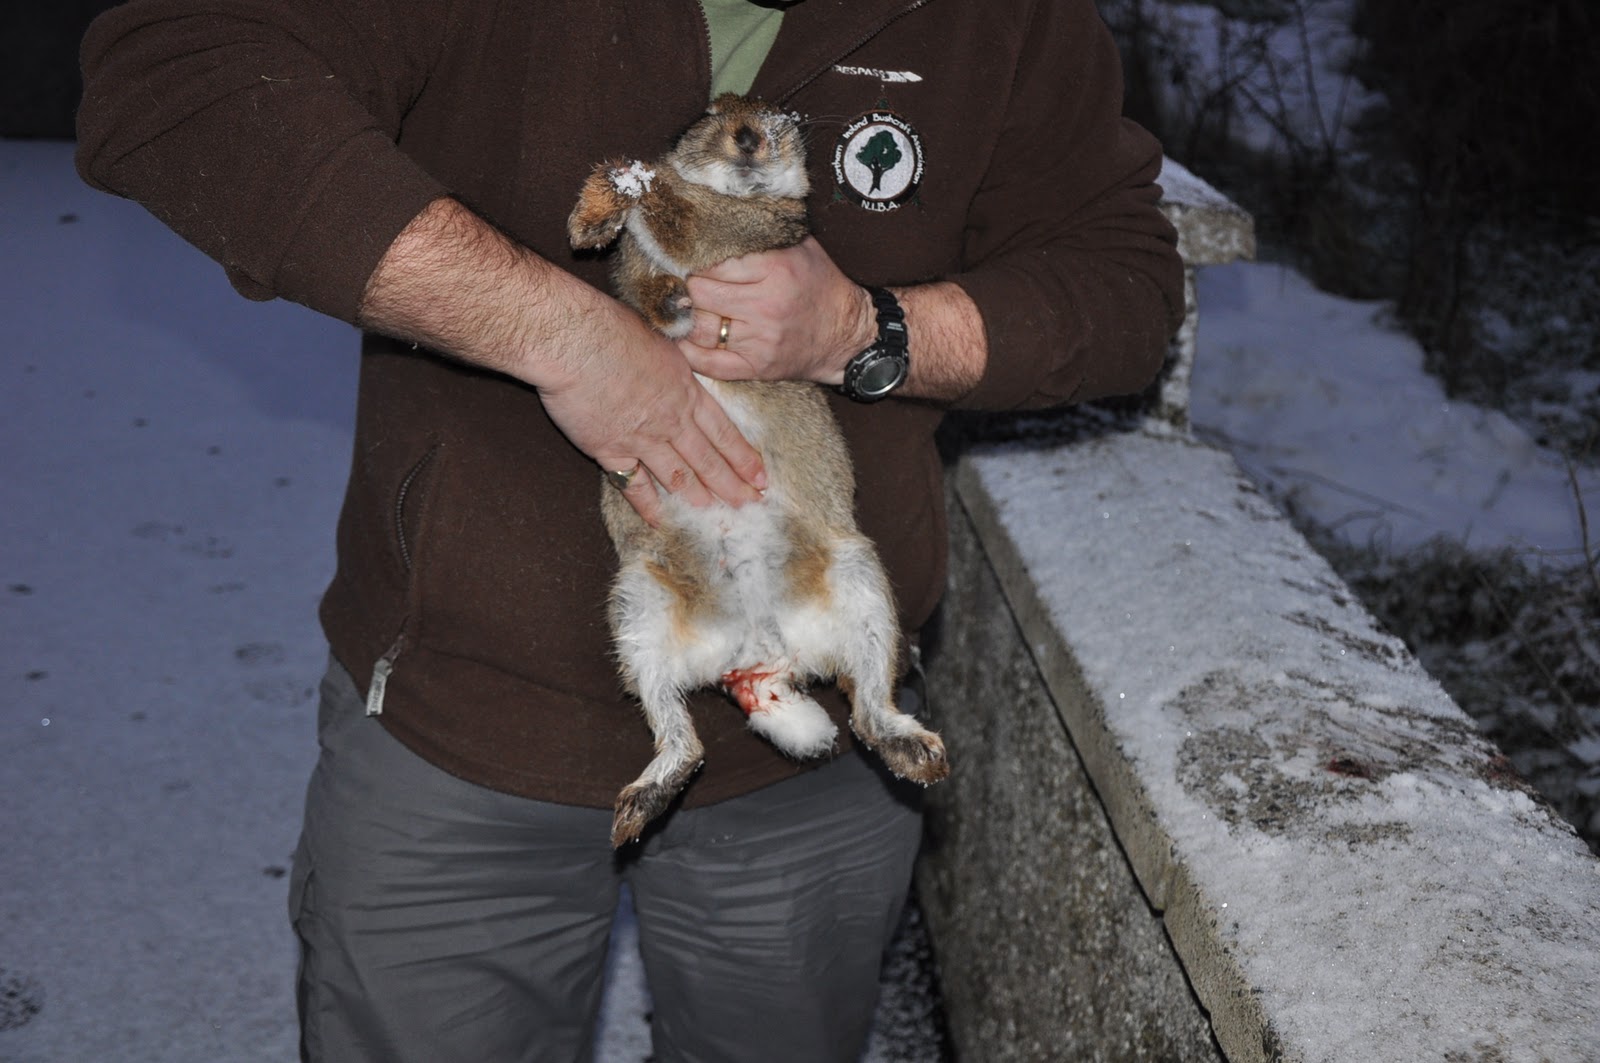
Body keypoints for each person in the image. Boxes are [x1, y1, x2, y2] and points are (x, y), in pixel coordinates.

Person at [76, 0, 1184, 1059]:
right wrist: (558, 330)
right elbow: (178, 71)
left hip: (813, 753)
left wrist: (866, 327)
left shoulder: (1011, 21)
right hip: (459, 726)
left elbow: (1126, 283)